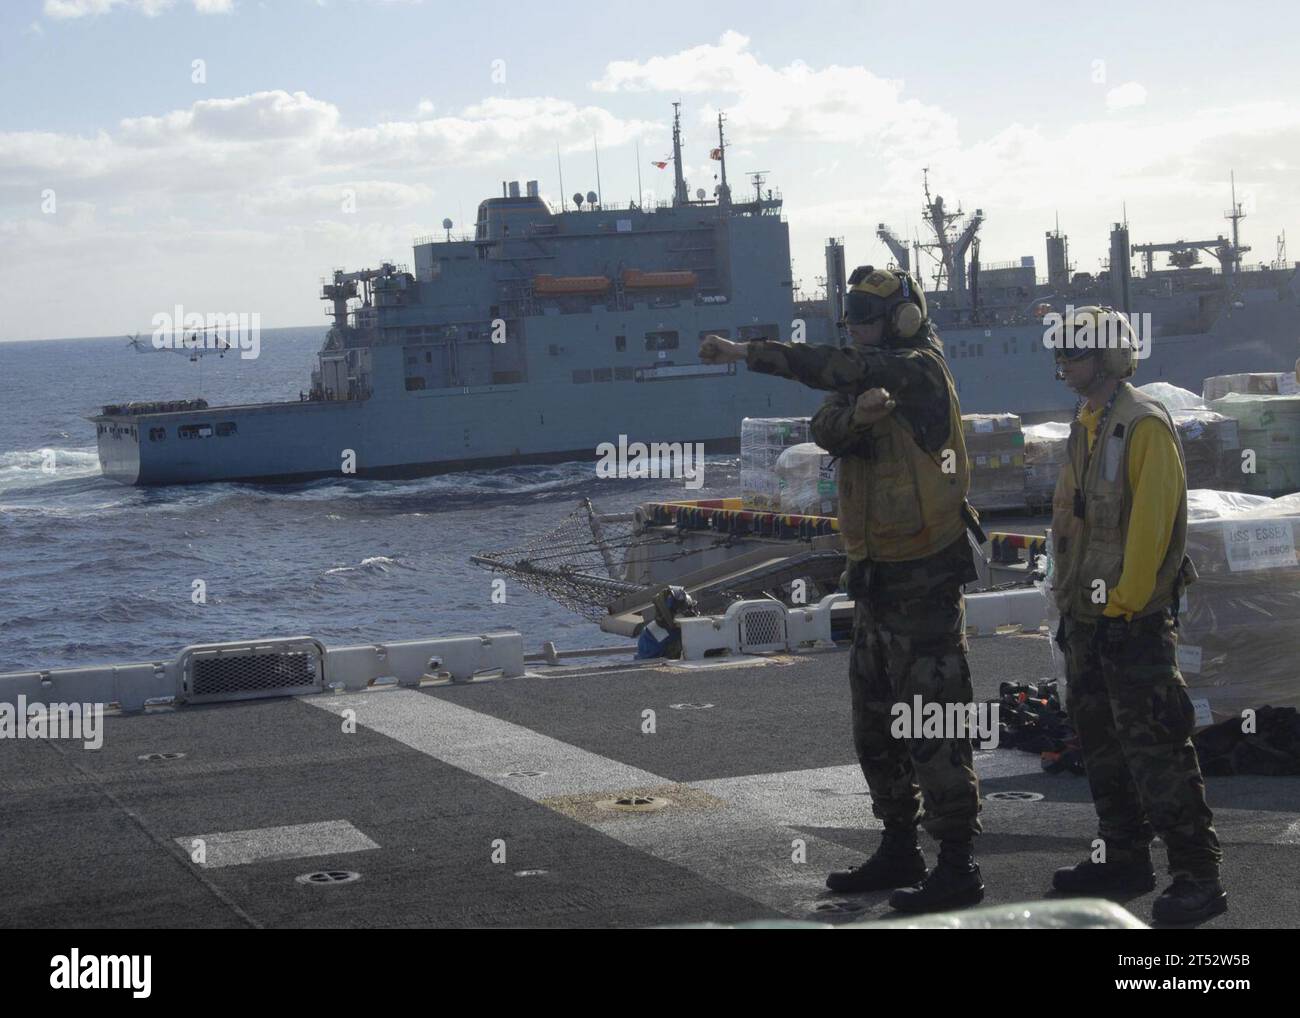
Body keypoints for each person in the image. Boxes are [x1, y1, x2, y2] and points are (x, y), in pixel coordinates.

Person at [700, 265, 984, 913]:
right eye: (849, 316)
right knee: (876, 725)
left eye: (864, 315)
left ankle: (959, 865)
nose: (853, 326)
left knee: (935, 722)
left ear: (903, 318)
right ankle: (899, 846)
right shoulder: (866, 381)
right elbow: (825, 429)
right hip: (876, 578)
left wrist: (747, 353)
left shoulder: (919, 371)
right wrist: (857, 415)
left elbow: (831, 366)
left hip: (926, 578)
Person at [1048, 305, 1226, 925]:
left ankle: (1198, 877)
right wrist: (1068, 602)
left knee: (1159, 751)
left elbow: (1151, 529)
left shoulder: (1143, 425)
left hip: (1132, 623)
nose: (1062, 364)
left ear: (1108, 356)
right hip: (1087, 618)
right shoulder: (1087, 422)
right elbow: (1073, 521)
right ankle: (1123, 856)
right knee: (1101, 745)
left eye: (1072, 353)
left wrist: (1122, 605)